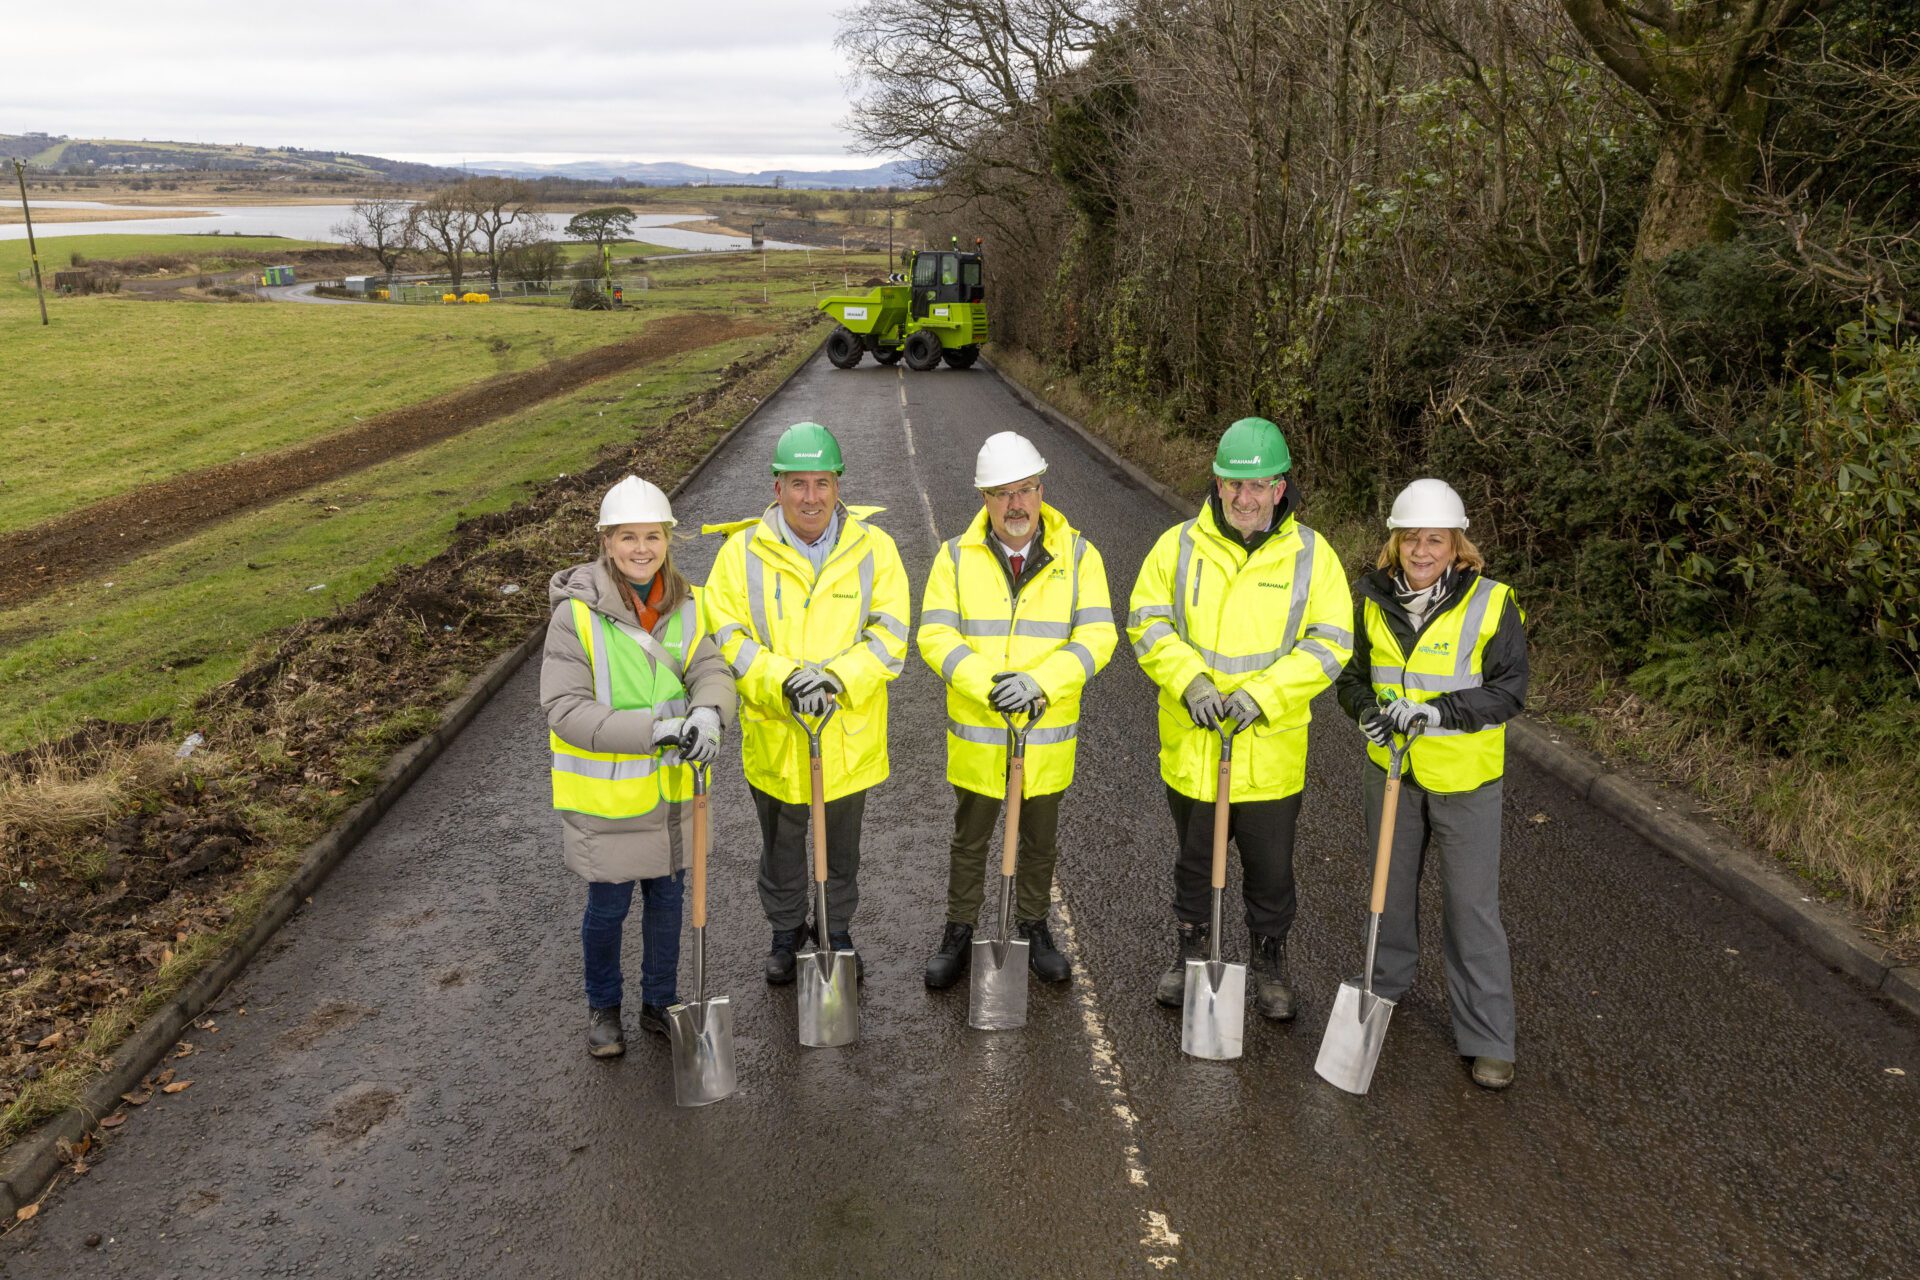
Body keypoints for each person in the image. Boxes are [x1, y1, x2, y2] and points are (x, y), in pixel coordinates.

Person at [1128, 418, 1353, 1021]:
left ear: (1281, 489)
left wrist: (1266, 696)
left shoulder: (1313, 555)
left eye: (1259, 487)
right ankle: (1190, 956)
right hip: (1196, 747)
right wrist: (1189, 680)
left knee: (1271, 872)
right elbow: (1147, 622)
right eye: (1233, 485)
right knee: (1195, 863)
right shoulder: (1178, 546)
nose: (1245, 499)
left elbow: (1331, 643)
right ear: (1217, 484)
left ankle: (1270, 964)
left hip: (1270, 751)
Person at [1334, 478, 1528, 1090]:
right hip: (1390, 770)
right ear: (1395, 542)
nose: (1422, 550)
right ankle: (1381, 996)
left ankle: (1489, 1038)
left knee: (1471, 910)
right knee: (1385, 897)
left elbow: (1508, 691)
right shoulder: (1368, 600)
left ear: (1457, 546)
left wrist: (1440, 712)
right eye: (1411, 538)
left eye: (1435, 540)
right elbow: (1351, 676)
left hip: (1464, 780)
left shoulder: (1494, 604)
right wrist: (1365, 708)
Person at [701, 422, 910, 983]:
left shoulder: (875, 549)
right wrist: (784, 679)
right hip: (777, 730)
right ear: (777, 488)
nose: (811, 497)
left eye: (822, 483)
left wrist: (836, 680)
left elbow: (890, 635)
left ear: (839, 486)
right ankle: (787, 930)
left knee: (842, 848)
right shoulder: (741, 553)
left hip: (846, 733)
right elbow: (726, 635)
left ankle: (835, 930)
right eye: (798, 484)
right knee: (782, 846)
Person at [541, 475, 737, 1058]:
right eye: (628, 537)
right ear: (606, 541)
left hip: (674, 791)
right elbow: (565, 709)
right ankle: (603, 1007)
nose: (642, 549)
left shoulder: (687, 605)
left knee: (669, 902)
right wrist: (656, 733)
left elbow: (713, 670)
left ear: (668, 539)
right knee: (607, 909)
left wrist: (709, 714)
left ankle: (660, 1002)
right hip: (607, 799)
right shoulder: (575, 618)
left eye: (653, 536)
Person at [917, 431, 1116, 988]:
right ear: (984, 499)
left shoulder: (1079, 555)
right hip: (981, 731)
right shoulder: (955, 557)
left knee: (1038, 838)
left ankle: (1032, 927)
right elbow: (934, 633)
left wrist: (1041, 683)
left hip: (1046, 731)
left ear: (1040, 490)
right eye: (1002, 493)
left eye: (1025, 490)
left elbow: (1099, 634)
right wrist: (990, 685)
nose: (1016, 505)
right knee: (971, 838)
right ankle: (958, 931)